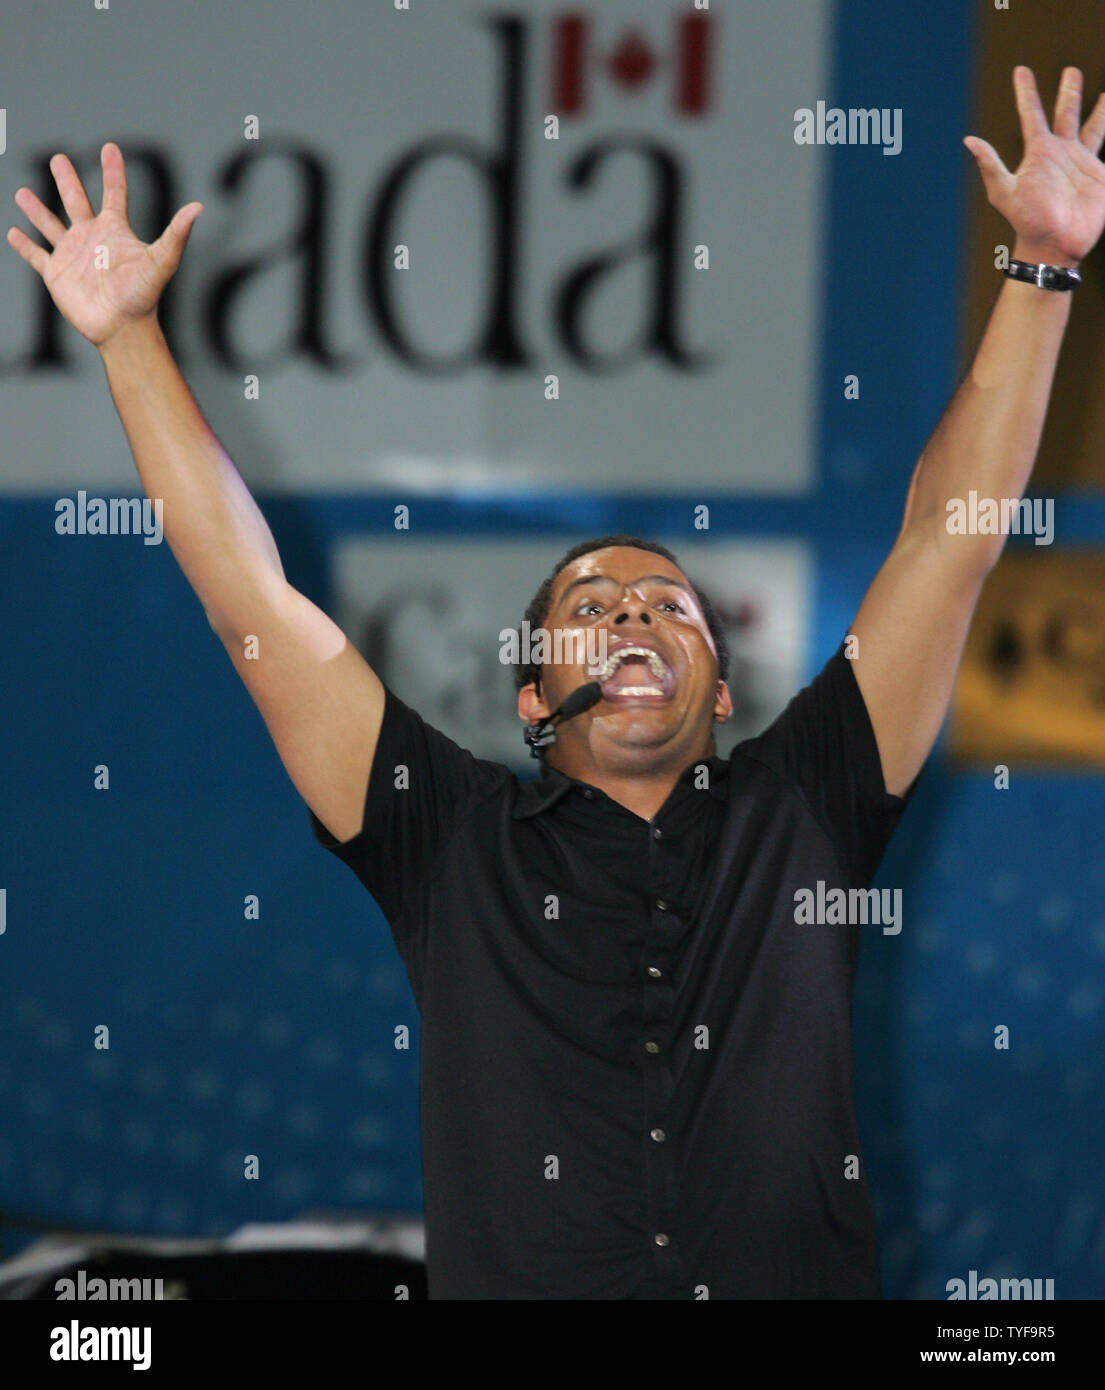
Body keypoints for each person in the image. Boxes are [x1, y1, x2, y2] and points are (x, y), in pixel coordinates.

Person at [9, 66, 1105, 1298]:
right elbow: (250, 600)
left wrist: (1042, 267)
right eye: (591, 609)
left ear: (721, 692)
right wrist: (129, 339)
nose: (633, 614)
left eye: (667, 608)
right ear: (533, 698)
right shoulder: (442, 836)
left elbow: (945, 540)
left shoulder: (810, 803)